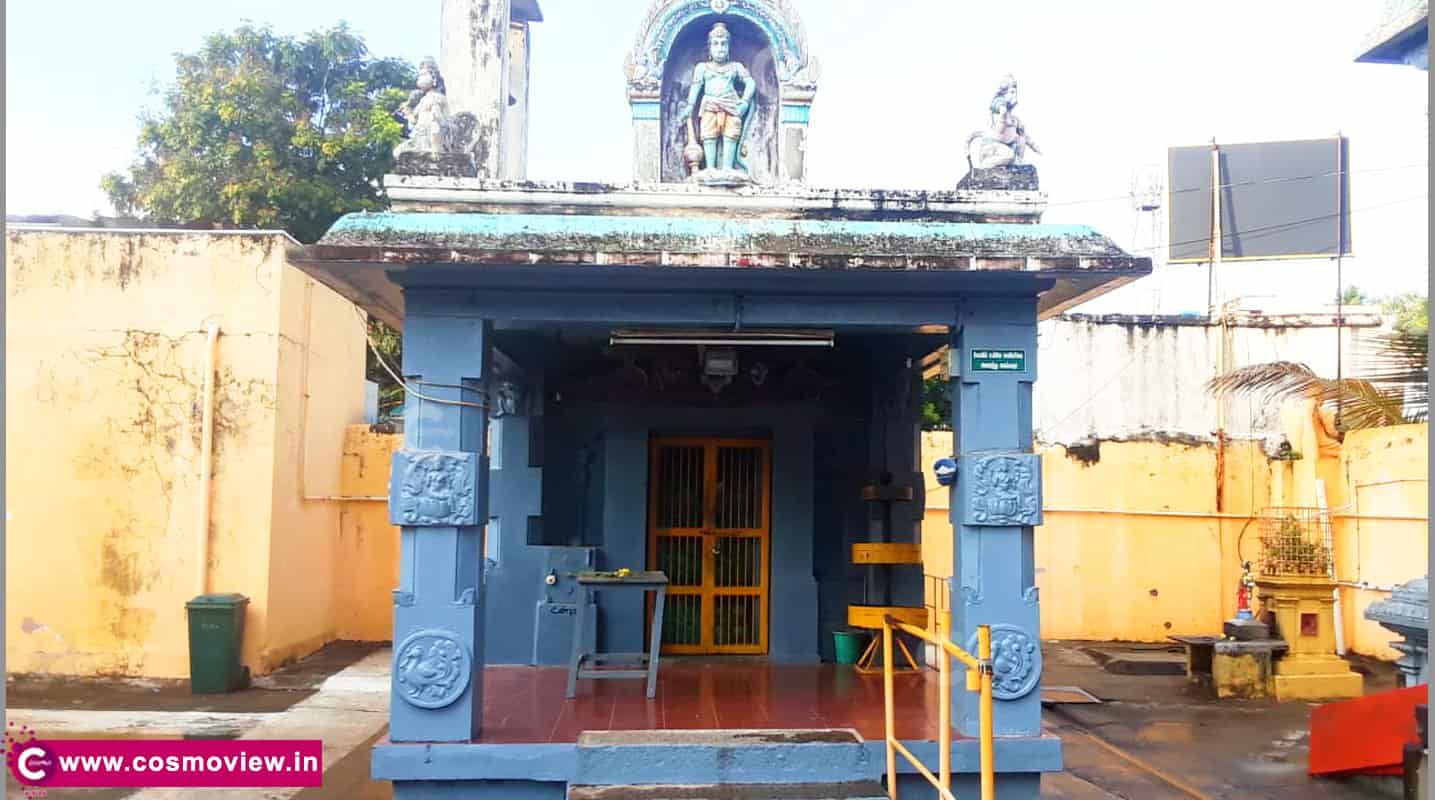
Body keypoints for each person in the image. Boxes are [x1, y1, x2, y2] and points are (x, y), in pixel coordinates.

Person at [676, 23, 755, 173]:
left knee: (731, 134)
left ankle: (727, 167)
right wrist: (690, 106)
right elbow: (696, 87)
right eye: (716, 44)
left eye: (724, 44)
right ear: (710, 48)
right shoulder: (702, 68)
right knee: (709, 134)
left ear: (728, 47)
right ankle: (711, 168)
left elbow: (750, 83)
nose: (720, 48)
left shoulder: (735, 66)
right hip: (710, 105)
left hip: (731, 105)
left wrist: (744, 101)